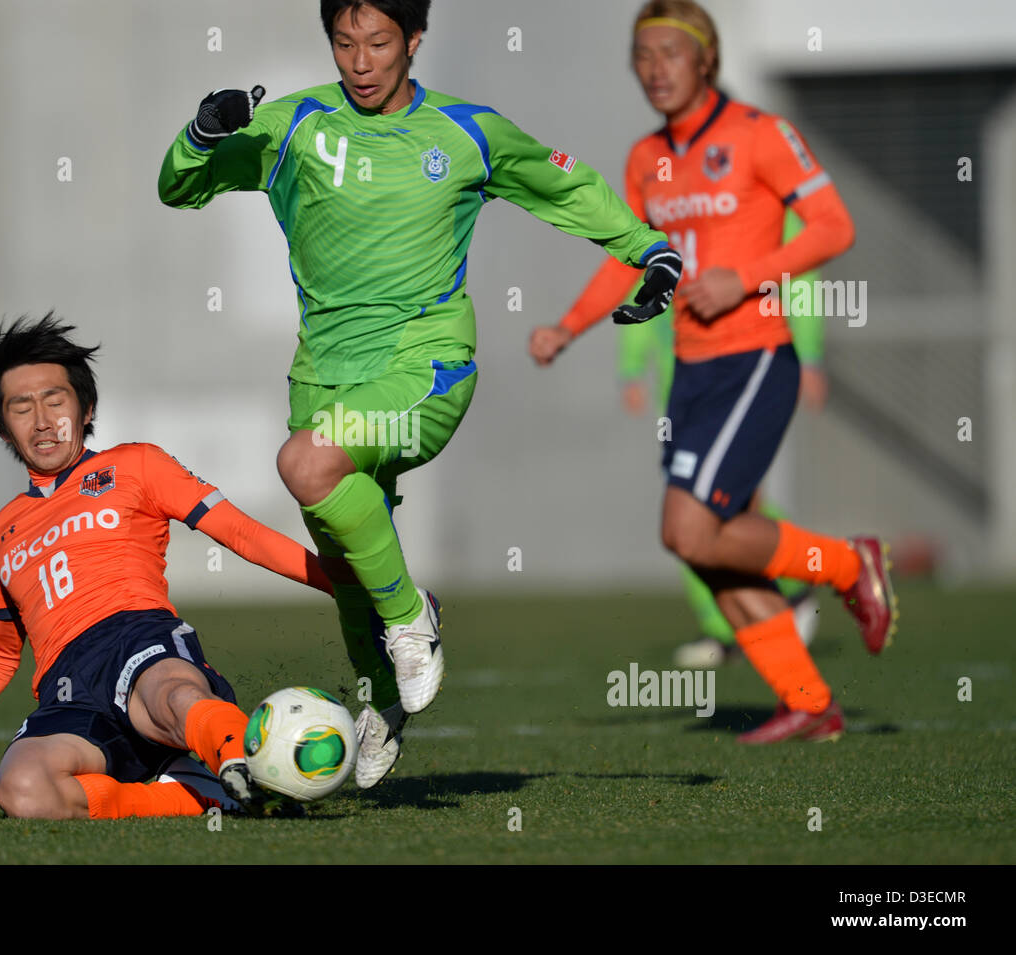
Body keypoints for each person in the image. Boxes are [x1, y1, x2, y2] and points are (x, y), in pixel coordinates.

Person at [158, 0, 680, 786]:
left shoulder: (467, 131)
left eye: (378, 43)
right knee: (345, 570)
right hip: (322, 376)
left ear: (414, 41)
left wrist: (652, 251)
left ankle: (414, 617)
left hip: (427, 363)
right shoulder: (295, 126)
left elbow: (564, 187)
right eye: (344, 43)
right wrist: (200, 133)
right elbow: (178, 187)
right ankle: (383, 704)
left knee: (305, 466)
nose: (360, 62)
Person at [529, 0, 896, 742]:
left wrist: (747, 278)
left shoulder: (761, 134)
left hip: (756, 358)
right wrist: (569, 325)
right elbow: (625, 258)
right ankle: (811, 702)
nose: (655, 68)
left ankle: (849, 563)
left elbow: (834, 225)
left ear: (707, 59)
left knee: (692, 530)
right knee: (699, 543)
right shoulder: (644, 159)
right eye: (642, 54)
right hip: (690, 374)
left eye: (671, 51)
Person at [0, 315, 334, 819]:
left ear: (87, 409)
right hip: (67, 688)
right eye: (21, 406)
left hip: (137, 638)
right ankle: (197, 794)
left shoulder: (136, 465)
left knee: (171, 692)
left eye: (55, 400)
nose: (42, 420)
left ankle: (247, 768)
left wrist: (347, 585)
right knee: (22, 789)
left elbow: (242, 533)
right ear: (1, 425)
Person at [595, 209, 825, 668]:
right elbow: (640, 274)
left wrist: (811, 353)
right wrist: (632, 364)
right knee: (702, 516)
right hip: (682, 388)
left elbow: (802, 277)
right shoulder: (666, 198)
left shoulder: (761, 200)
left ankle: (813, 575)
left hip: (743, 377)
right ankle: (767, 605)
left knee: (706, 509)